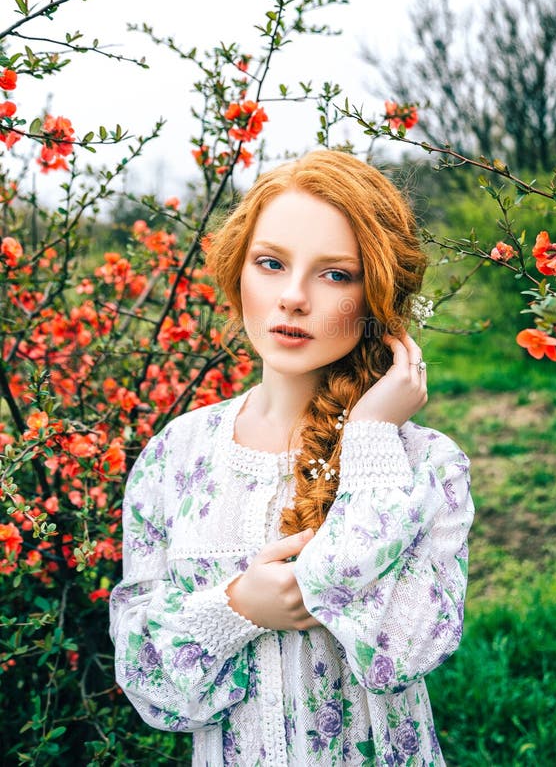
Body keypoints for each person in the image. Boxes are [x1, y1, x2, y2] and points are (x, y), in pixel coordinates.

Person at [109, 150, 474, 766]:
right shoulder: (175, 457)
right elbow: (149, 687)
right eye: (271, 263)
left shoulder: (423, 463)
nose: (294, 297)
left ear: (378, 294)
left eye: (336, 274)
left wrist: (370, 440)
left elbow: (404, 653)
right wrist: (235, 609)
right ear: (238, 270)